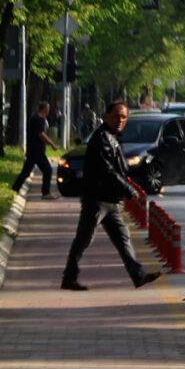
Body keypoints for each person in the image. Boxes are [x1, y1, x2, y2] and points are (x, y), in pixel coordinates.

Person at [63, 99, 155, 291]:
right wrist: (127, 189)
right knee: (83, 239)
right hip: (97, 199)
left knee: (123, 238)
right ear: (106, 116)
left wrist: (131, 175)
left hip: (110, 200)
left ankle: (138, 276)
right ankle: (69, 277)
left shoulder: (112, 137)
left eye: (124, 117)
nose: (121, 120)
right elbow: (107, 170)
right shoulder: (102, 137)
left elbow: (118, 168)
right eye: (117, 116)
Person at [11, 101, 54, 199]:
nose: (49, 111)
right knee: (28, 171)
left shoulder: (37, 118)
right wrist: (52, 144)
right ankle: (15, 189)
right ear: (45, 110)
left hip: (37, 152)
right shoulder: (38, 120)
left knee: (46, 170)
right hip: (35, 151)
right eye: (48, 109)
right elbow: (41, 134)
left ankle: (45, 193)